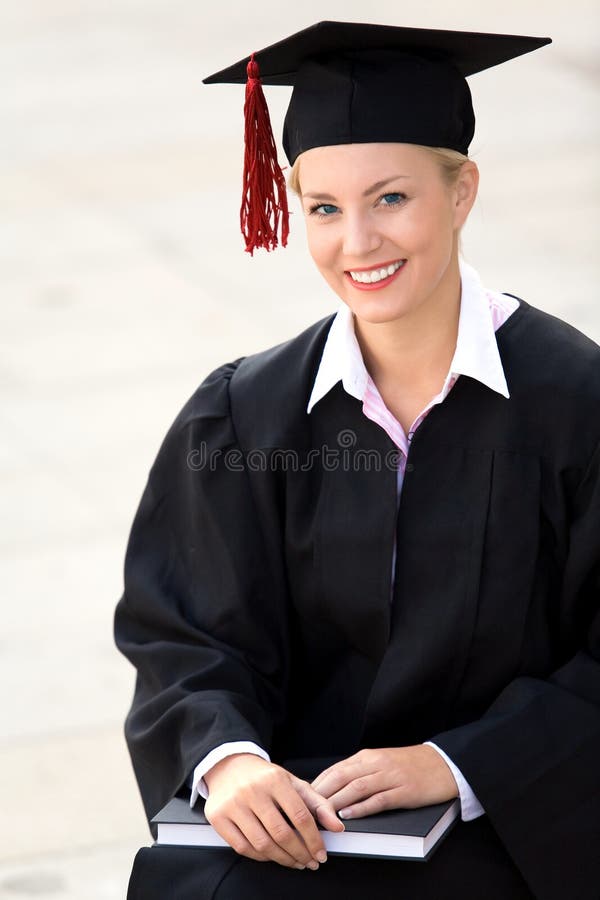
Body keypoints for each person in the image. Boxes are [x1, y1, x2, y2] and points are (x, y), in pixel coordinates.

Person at [114, 21, 600, 900]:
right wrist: (229, 765)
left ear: (462, 194)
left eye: (392, 199)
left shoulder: (576, 403)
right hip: (305, 811)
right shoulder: (248, 412)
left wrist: (456, 766)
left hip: (517, 819)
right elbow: (187, 634)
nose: (358, 244)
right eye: (325, 208)